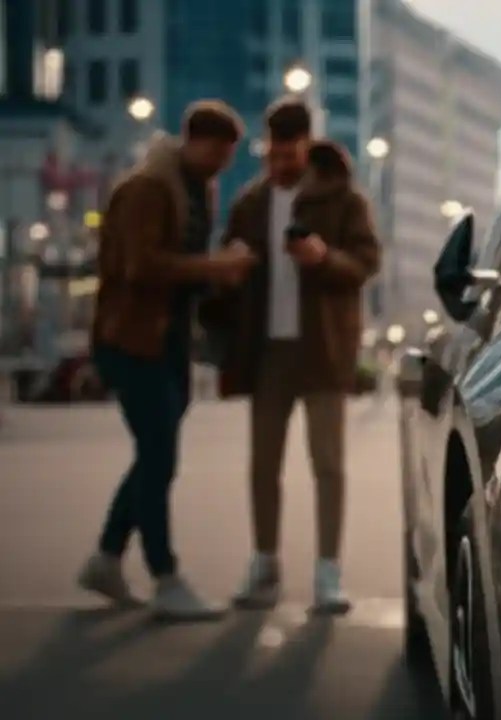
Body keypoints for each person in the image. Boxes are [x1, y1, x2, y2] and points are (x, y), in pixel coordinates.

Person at [78, 100, 255, 620]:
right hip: (130, 340)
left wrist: (220, 271)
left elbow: (182, 270)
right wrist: (214, 265)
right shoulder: (149, 189)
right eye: (220, 154)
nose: (224, 165)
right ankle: (165, 576)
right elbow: (141, 266)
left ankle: (107, 558)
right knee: (160, 456)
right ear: (195, 141)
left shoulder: (197, 188)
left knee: (156, 455)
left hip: (168, 340)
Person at [209, 100, 380, 613]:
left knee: (328, 463)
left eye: (288, 155)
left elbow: (367, 263)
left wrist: (324, 257)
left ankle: (328, 570)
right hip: (265, 352)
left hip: (323, 347)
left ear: (307, 145)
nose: (278, 164)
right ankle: (265, 563)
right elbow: (225, 270)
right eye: (272, 154)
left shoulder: (344, 199)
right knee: (263, 464)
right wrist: (228, 270)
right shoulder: (250, 202)